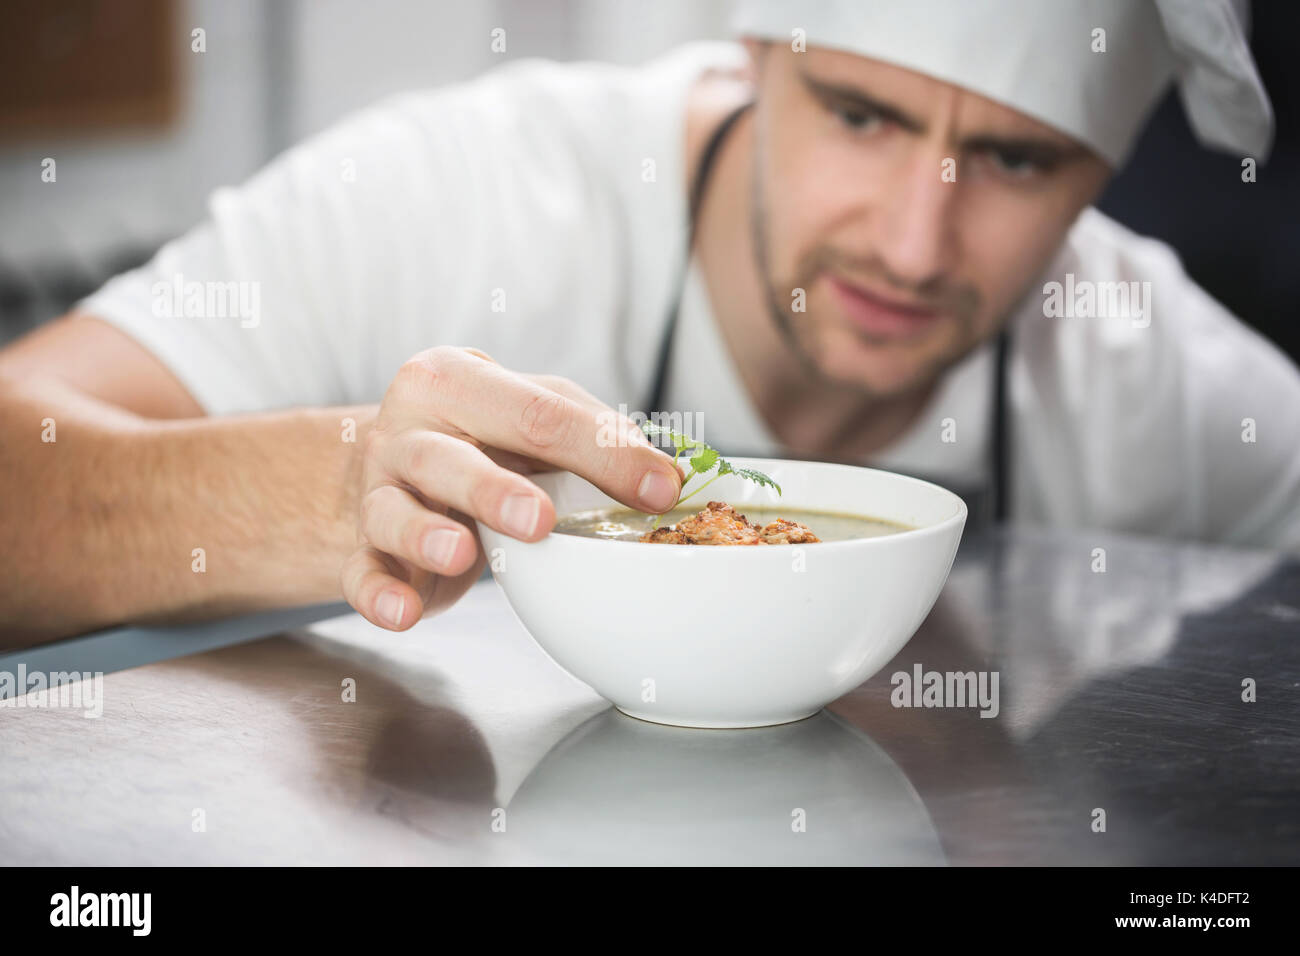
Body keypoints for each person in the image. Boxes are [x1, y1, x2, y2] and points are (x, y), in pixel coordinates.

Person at [1, 0, 1297, 644]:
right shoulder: (462, 199)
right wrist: (335, 490)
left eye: (1017, 162)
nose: (915, 243)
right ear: (755, 54)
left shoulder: (1139, 365)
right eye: (862, 115)